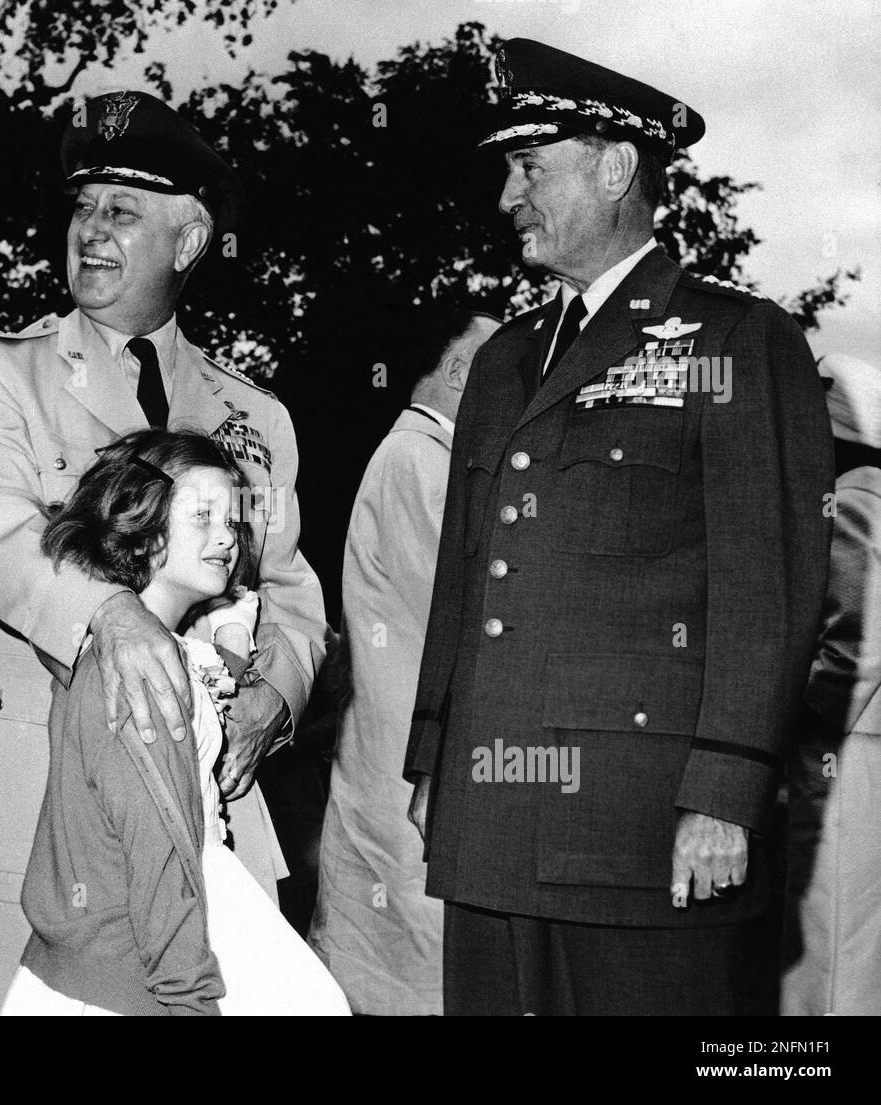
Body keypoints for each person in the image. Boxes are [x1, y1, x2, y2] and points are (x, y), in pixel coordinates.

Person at [403, 39, 834, 1016]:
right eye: (506, 170)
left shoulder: (730, 339)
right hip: (489, 819)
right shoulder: (506, 358)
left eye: (530, 166)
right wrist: (434, 754)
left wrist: (726, 789)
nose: (508, 194)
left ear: (615, 167)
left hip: (639, 832)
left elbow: (767, 584)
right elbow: (464, 577)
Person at [0, 90, 326, 1015]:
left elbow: (294, 592)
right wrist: (109, 613)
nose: (91, 231)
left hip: (210, 817)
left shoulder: (252, 416)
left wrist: (275, 696)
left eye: (123, 210)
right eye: (83, 205)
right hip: (33, 808)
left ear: (190, 243)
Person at [1, 429, 348, 1016]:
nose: (227, 538)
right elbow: (159, 854)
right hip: (139, 966)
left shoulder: (146, 649)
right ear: (141, 528)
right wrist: (189, 999)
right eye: (202, 517)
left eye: (232, 521)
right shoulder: (145, 675)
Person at [309, 310, 499, 1015]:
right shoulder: (420, 460)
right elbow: (474, 612)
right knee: (413, 971)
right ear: (458, 372)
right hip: (410, 766)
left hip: (402, 759)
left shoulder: (420, 457)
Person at [782, 353, 881, 1016]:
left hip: (842, 749)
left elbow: (852, 648)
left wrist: (782, 721)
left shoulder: (852, 501)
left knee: (832, 948)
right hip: (864, 746)